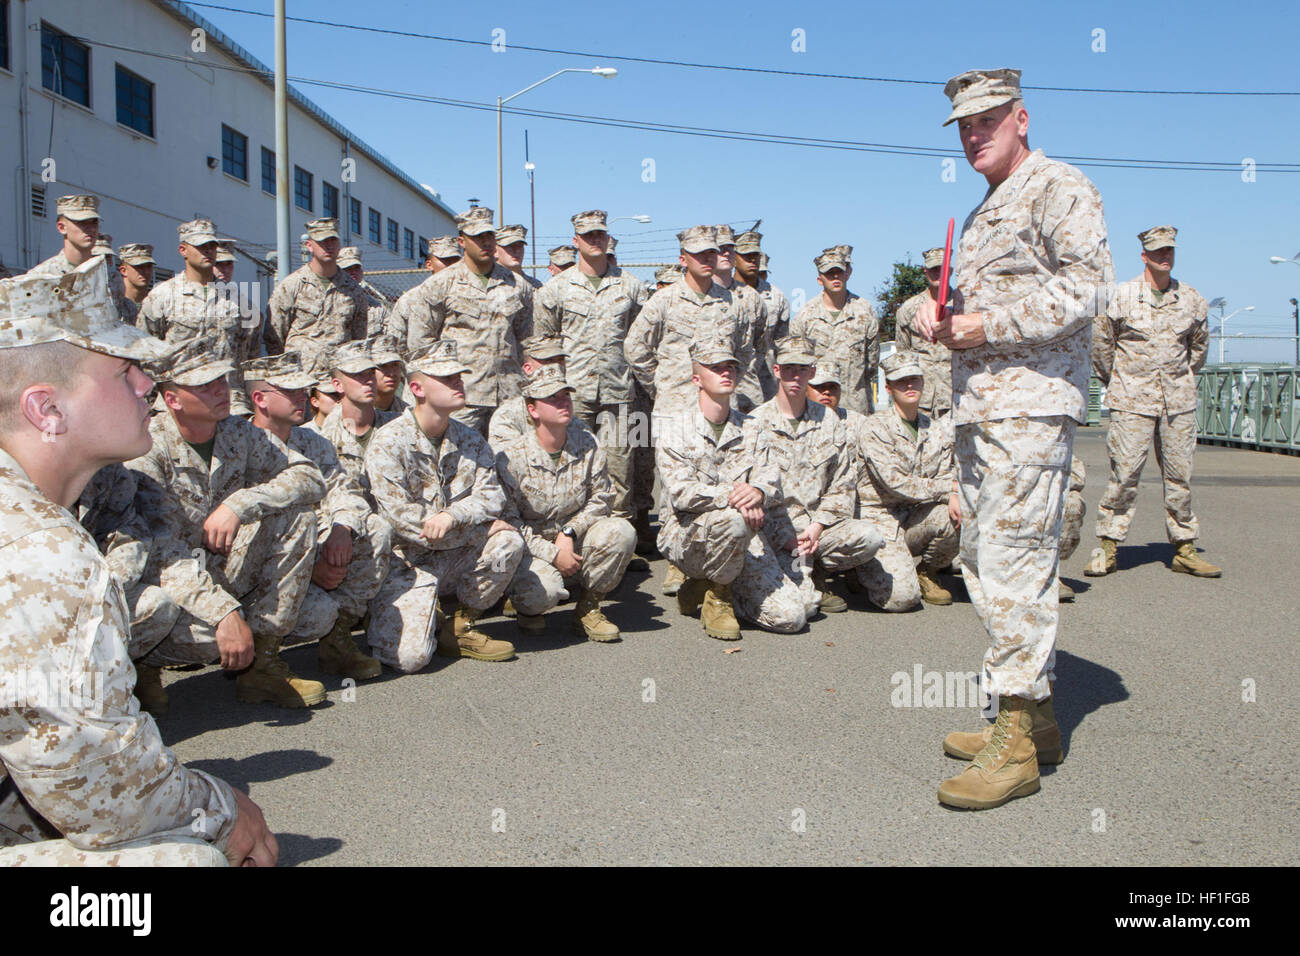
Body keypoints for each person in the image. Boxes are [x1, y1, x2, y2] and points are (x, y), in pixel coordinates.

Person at [0, 259, 276, 866]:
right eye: (124, 371)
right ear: (47, 410)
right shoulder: (39, 551)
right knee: (188, 862)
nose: (146, 385)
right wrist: (227, 808)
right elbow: (105, 794)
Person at [913, 68, 1114, 810]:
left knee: (1014, 564)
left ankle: (1018, 744)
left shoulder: (1061, 186)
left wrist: (983, 326)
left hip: (1029, 411)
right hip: (983, 413)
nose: (973, 135)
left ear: (1021, 119)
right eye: (964, 126)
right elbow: (980, 306)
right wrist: (942, 318)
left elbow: (1090, 286)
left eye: (986, 121)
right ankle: (1039, 717)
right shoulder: (986, 210)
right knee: (982, 556)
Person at [127, 336, 328, 708]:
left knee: (319, 611)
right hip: (173, 585)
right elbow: (161, 557)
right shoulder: (146, 451)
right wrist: (225, 614)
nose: (222, 390)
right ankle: (142, 664)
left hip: (220, 567)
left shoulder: (237, 432)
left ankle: (262, 666)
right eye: (205, 385)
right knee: (192, 629)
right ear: (172, 400)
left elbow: (309, 477)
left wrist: (242, 502)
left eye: (221, 380)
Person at [363, 340, 526, 670]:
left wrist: (454, 515)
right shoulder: (389, 441)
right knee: (412, 659)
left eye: (459, 376)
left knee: (507, 541)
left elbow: (491, 496)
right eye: (447, 378)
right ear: (417, 388)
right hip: (407, 562)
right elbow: (402, 522)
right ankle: (409, 610)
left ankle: (461, 625)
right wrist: (476, 528)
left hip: (454, 556)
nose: (458, 383)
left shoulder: (470, 439)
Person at [656, 337, 812, 638]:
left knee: (794, 617)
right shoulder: (674, 431)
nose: (726, 372)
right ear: (696, 379)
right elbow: (681, 492)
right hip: (688, 537)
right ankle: (718, 595)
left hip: (748, 535)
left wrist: (760, 492)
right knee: (733, 519)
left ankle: (701, 588)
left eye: (730, 367)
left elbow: (771, 480)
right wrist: (737, 497)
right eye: (715, 368)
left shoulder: (752, 427)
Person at [246, 351, 388, 680]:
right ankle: (260, 665)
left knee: (374, 530)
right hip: (251, 572)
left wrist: (342, 529)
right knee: (301, 526)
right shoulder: (237, 446)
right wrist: (311, 566)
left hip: (304, 550)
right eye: (291, 392)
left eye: (303, 390)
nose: (302, 398)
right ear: (260, 399)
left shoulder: (313, 442)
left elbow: (345, 491)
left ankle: (336, 642)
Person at [1087, 225, 1219, 578]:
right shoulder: (1120, 297)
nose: (1165, 256)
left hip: (1177, 402)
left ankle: (1184, 547)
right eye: (1158, 251)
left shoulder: (1192, 299)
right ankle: (1108, 546)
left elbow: (1198, 350)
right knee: (1124, 475)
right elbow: (1101, 348)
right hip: (1132, 400)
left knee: (1180, 477)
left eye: (1170, 251)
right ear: (1144, 254)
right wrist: (1120, 382)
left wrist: (1179, 381)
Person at [495, 364, 636, 640]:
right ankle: (527, 607)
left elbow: (602, 498)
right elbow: (510, 523)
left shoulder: (587, 443)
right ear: (533, 410)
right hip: (531, 550)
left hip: (573, 539)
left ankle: (589, 608)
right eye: (553, 398)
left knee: (620, 531)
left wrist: (569, 532)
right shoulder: (510, 458)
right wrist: (553, 554)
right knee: (540, 595)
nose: (563, 403)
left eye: (566, 396)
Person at [751, 336, 884, 614]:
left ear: (812, 372)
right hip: (776, 532)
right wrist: (781, 536)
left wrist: (818, 527)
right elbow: (750, 495)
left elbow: (842, 485)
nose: (795, 376)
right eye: (788, 369)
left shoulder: (829, 420)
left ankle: (818, 569)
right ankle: (746, 591)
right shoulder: (755, 422)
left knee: (869, 536)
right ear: (777, 371)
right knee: (806, 608)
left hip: (816, 530)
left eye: (802, 369)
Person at [534, 209, 650, 523]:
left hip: (619, 393)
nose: (595, 240)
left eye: (600, 234)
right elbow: (543, 344)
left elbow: (643, 337)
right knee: (574, 465)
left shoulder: (630, 286)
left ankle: (620, 542)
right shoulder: (557, 289)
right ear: (576, 241)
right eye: (588, 236)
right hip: (573, 394)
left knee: (620, 469)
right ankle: (577, 538)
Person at [391, 206, 534, 435]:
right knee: (459, 461)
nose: (485, 242)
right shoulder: (440, 285)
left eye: (489, 236)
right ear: (462, 241)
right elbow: (421, 345)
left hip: (509, 395)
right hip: (462, 396)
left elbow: (528, 340)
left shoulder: (518, 286)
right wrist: (438, 388)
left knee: (511, 463)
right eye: (477, 237)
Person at [850, 353, 961, 611]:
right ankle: (862, 565)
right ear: (888, 388)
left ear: (923, 382)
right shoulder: (875, 427)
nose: (909, 386)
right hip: (880, 515)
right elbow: (894, 482)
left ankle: (927, 571)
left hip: (914, 515)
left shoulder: (935, 429)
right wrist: (948, 489)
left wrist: (953, 494)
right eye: (901, 382)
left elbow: (947, 473)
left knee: (958, 511)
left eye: (914, 379)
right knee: (902, 599)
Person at [140, 218, 256, 414]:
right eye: (201, 246)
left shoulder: (239, 300)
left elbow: (250, 352)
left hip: (227, 400)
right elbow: (145, 351)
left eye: (211, 245)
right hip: (179, 399)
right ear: (183, 250)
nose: (208, 251)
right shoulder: (162, 296)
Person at [264, 218, 370, 377]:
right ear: (309, 245)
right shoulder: (292, 285)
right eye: (322, 241)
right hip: (302, 378)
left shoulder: (353, 290)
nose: (329, 246)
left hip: (339, 377)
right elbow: (275, 337)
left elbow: (358, 337)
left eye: (333, 240)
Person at [789, 247, 880, 416]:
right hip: (816, 411)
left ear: (847, 274)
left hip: (855, 409)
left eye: (839, 272)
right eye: (829, 274)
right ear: (819, 279)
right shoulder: (805, 317)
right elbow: (798, 367)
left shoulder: (864, 312)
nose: (835, 277)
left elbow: (871, 365)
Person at [710, 225, 769, 410]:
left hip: (746, 393)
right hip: (704, 393)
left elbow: (761, 345)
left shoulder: (751, 298)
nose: (726, 254)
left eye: (730, 249)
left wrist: (743, 370)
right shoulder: (699, 294)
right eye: (720, 249)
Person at [894, 247, 954, 418]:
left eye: (942, 269)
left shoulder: (964, 305)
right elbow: (904, 356)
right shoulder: (909, 309)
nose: (938, 273)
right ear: (925, 271)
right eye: (933, 269)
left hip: (956, 398)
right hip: (922, 402)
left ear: (950, 270)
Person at [734, 229, 789, 399]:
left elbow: (783, 343)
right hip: (734, 382)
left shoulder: (776, 296)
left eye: (756, 255)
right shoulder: (725, 293)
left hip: (768, 383)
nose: (752, 260)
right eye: (746, 255)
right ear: (733, 257)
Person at [27, 194, 101, 278]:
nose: (91, 228)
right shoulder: (41, 276)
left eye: (94, 222)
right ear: (62, 227)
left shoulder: (109, 276)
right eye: (82, 222)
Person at [337, 246, 392, 339]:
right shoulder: (327, 303)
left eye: (356, 268)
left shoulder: (376, 308)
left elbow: (390, 335)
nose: (353, 272)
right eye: (348, 269)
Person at [116, 243, 155, 327]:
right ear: (123, 270)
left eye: (149, 267)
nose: (146, 272)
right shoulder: (113, 303)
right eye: (139, 267)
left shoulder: (156, 302)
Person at [495, 224, 544, 290]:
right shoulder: (490, 283)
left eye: (520, 246)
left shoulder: (536, 285)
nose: (516, 250)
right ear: (495, 251)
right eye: (510, 245)